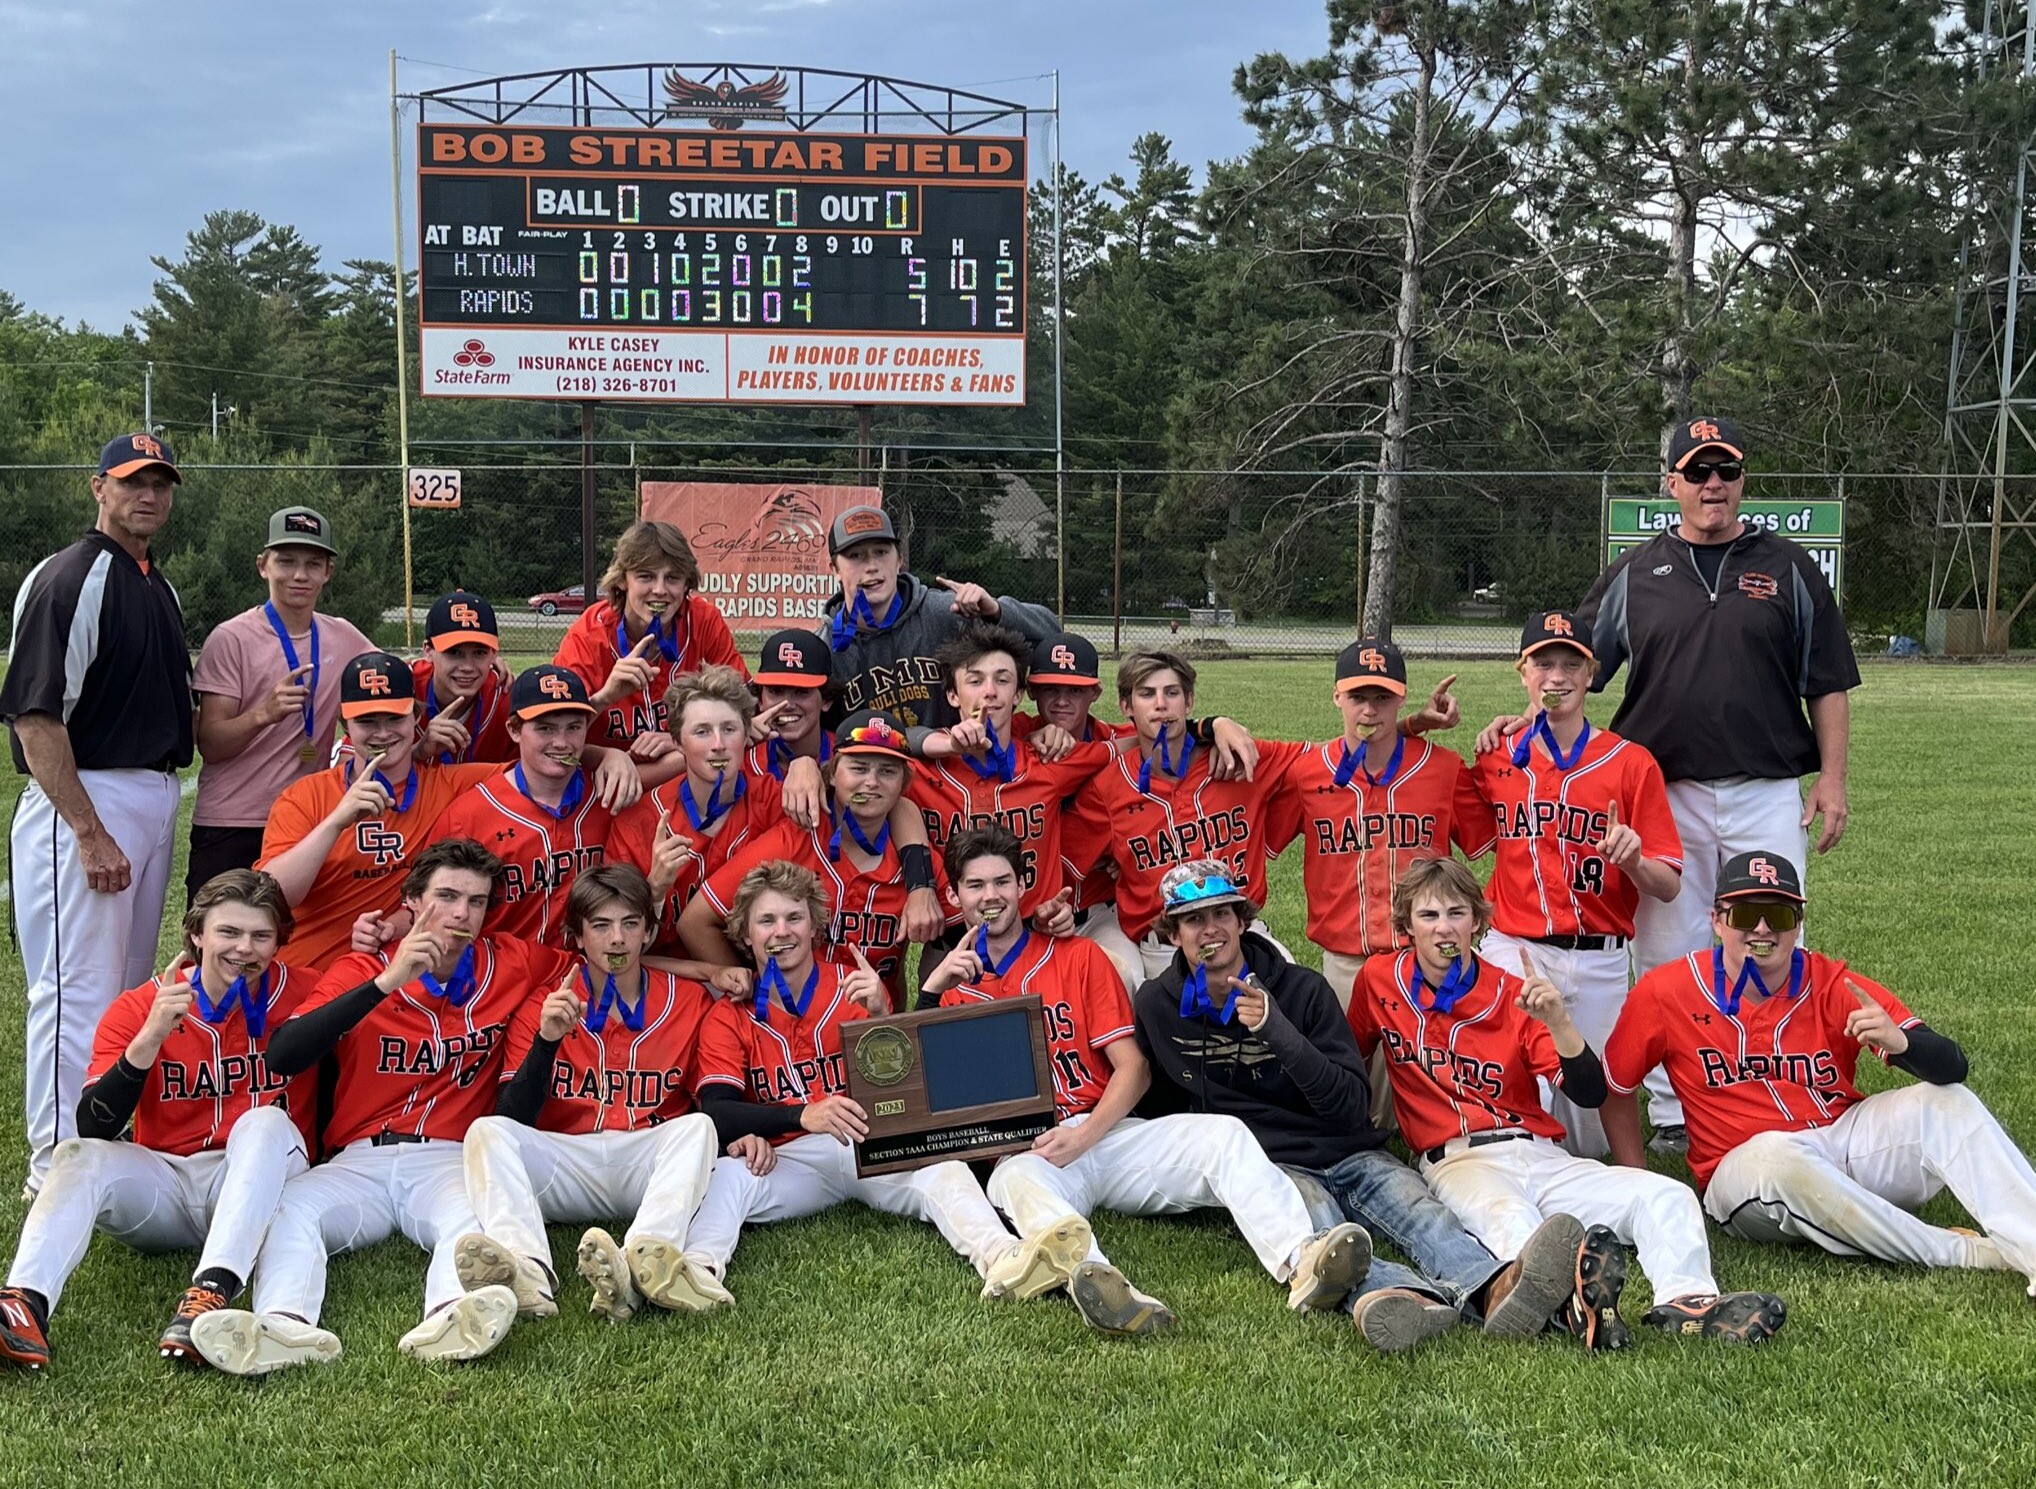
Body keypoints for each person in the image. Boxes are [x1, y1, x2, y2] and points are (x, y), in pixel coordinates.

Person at [1129, 858, 1582, 1353]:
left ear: (1243, 921)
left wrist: (1275, 1029)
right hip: (1268, 1164)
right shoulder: (1158, 1005)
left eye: (1221, 915)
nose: (1210, 929)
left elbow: (1348, 1103)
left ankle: (1494, 1288)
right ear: (1173, 934)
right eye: (1193, 920)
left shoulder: (1303, 991)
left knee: (1419, 1209)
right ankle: (1396, 1295)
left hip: (1344, 1145)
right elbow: (1164, 1110)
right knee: (1326, 1232)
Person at [1348, 858, 1786, 1349]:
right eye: (1429, 916)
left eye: (1457, 912)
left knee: (1664, 1195)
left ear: (1478, 921)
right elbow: (1350, 1060)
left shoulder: (1515, 993)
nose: (1444, 927)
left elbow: (1589, 1093)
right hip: (1458, 1161)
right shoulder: (1378, 981)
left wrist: (1558, 1021)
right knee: (1518, 1229)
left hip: (1538, 1152)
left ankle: (1688, 1302)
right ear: (1406, 926)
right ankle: (1575, 1308)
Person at [1570, 415, 1860, 1151]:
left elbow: (1827, 683)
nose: (1712, 485)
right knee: (1668, 947)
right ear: (1671, 483)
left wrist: (1832, 780)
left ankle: (1778, 1086)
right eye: (1696, 471)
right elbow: (1571, 665)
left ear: (1741, 480)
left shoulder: (1788, 568)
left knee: (1772, 937)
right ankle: (1672, 1111)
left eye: (1724, 470)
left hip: (1765, 787)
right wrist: (1526, 722)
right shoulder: (1636, 574)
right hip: (1661, 790)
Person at [189, 839, 565, 1375]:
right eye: (447, 897)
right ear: (411, 901)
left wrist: (704, 971)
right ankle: (284, 1325)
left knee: (471, 1224)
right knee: (292, 1210)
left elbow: (599, 962)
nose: (461, 914)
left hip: (447, 1155)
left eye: (476, 902)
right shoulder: (361, 968)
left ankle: (451, 1315)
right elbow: (284, 1055)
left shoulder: (513, 960)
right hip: (360, 1158)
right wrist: (385, 981)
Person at [1604, 852, 2036, 1299]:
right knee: (1776, 1155)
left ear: (1798, 921)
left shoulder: (1831, 983)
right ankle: (1961, 1252)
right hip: (1744, 1172)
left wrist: (1903, 1044)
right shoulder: (1666, 991)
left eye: (1779, 914)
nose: (1763, 929)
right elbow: (1616, 1085)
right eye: (1747, 914)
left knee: (1950, 1102)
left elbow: (1952, 1067)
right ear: (1717, 921)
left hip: (1841, 1140)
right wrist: (1639, 1182)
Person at [678, 861, 1082, 1303]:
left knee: (943, 1170)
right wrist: (788, 1119)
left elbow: (913, 1089)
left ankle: (1006, 1259)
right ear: (745, 934)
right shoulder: (728, 1014)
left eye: (794, 917)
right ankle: (696, 1271)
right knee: (728, 1176)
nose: (781, 932)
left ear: (814, 926)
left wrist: (881, 1017)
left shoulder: (852, 989)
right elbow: (718, 1110)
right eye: (766, 921)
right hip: (787, 1156)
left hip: (866, 1142)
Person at [0, 871, 317, 1372]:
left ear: (280, 940)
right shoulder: (139, 1007)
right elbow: (95, 1126)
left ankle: (210, 1294)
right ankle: (23, 1305)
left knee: (263, 1122)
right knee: (75, 1154)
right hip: (165, 1180)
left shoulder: (308, 994)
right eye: (228, 933)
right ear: (197, 934)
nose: (244, 949)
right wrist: (148, 1039)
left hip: (264, 1180)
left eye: (261, 936)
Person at [2, 433, 193, 1193]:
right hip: (86, 793)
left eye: (160, 482)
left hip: (148, 791)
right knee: (76, 984)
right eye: (131, 481)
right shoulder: (69, 577)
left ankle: (100, 1137)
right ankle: (54, 1161)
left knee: (125, 985)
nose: (148, 494)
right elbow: (34, 718)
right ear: (98, 489)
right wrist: (87, 829)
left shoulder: (155, 583)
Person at [457, 866, 747, 1321]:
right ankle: (528, 1272)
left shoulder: (689, 1000)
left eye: (630, 924)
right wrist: (547, 1040)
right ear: (576, 936)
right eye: (601, 926)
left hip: (644, 1164)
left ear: (649, 933)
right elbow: (512, 1115)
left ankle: (641, 1260)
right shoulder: (545, 1002)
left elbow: (714, 1099)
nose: (617, 940)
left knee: (698, 1127)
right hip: (567, 1164)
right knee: (486, 1132)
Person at [1461, 614, 1683, 1159]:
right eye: (1543, 662)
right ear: (1523, 673)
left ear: (1591, 675)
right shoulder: (1496, 756)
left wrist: (1633, 862)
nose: (1555, 676)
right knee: (1519, 1102)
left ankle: (1619, 1175)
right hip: (1518, 947)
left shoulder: (1630, 763)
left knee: (1591, 1125)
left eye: (1570, 664)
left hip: (1602, 957)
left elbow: (1670, 884)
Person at [258, 652, 637, 970]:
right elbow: (273, 896)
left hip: (397, 961)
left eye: (395, 718)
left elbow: (544, 760)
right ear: (346, 724)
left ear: (416, 719)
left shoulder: (454, 785)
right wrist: (336, 822)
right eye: (367, 721)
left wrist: (608, 754)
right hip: (306, 970)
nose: (383, 732)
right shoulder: (304, 797)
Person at [1261, 638, 1480, 1011]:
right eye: (1357, 697)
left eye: (1382, 697)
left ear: (1401, 698)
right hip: (1344, 961)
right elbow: (1259, 842)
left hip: (1424, 957)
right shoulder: (1306, 774)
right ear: (1336, 697)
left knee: (1423, 1068)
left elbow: (1501, 839)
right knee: (1346, 1067)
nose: (1369, 710)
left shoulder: (1444, 768)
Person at [1060, 651, 1298, 991]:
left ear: (1189, 701)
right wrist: (1105, 863)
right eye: (1146, 694)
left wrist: (1218, 725)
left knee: (1295, 989)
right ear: (1126, 706)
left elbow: (1322, 763)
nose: (1161, 704)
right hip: (1161, 947)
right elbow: (1062, 857)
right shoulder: (1108, 786)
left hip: (1240, 932)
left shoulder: (1237, 759)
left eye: (1171, 693)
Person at [679, 709, 947, 1008]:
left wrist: (927, 1004)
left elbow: (965, 931)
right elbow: (694, 922)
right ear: (832, 773)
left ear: (903, 783)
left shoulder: (916, 864)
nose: (872, 782)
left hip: (873, 1025)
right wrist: (749, 991)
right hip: (790, 1023)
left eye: (887, 771)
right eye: (858, 768)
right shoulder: (793, 840)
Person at [188, 507, 373, 900]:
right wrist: (263, 714)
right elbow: (211, 744)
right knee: (215, 946)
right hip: (235, 819)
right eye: (286, 562)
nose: (300, 575)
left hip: (308, 818)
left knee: (296, 944)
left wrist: (484, 658)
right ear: (263, 566)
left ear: (328, 572)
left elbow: (401, 679)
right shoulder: (232, 638)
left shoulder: (343, 637)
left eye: (313, 563)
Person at [904, 622, 1118, 935]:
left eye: (1002, 680)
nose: (989, 691)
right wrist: (918, 885)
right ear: (952, 694)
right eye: (975, 680)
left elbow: (1133, 745)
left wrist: (1209, 728)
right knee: (933, 981)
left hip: (1036, 931)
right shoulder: (922, 770)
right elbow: (864, 758)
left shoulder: (1047, 760)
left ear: (1018, 693)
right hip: (954, 937)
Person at [820, 504, 1057, 730]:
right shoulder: (826, 648)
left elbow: (1052, 637)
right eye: (856, 556)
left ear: (899, 559)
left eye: (881, 552)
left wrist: (995, 611)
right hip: (876, 769)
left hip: (953, 767)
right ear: (834, 569)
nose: (871, 566)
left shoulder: (946, 613)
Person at [426, 665, 615, 948]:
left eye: (574, 727)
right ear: (514, 730)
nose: (562, 742)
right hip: (498, 977)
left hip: (587, 973)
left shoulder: (609, 794)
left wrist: (615, 755)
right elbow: (429, 910)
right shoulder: (468, 817)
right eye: (545, 728)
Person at [609, 667, 789, 952]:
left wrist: (807, 768)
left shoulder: (775, 802)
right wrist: (654, 889)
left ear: (746, 736)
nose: (718, 745)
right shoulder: (640, 820)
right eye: (702, 732)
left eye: (729, 729)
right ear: (678, 743)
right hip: (665, 979)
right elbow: (617, 951)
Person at [553, 521, 746, 759]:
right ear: (623, 580)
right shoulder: (589, 635)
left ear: (687, 582)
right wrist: (604, 698)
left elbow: (742, 710)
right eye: (646, 577)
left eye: (672, 578)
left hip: (687, 773)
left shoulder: (703, 620)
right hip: (605, 776)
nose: (660, 589)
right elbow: (555, 739)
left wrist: (680, 742)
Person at [411, 590, 515, 765]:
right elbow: (354, 766)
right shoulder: (400, 687)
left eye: (479, 652)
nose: (467, 667)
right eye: (454, 652)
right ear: (428, 651)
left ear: (493, 654)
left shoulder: (504, 693)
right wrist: (418, 751)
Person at [743, 628, 835, 784]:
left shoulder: (847, 759)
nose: (788, 704)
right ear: (760, 700)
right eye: (776, 691)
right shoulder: (739, 760)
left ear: (826, 700)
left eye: (802, 692)